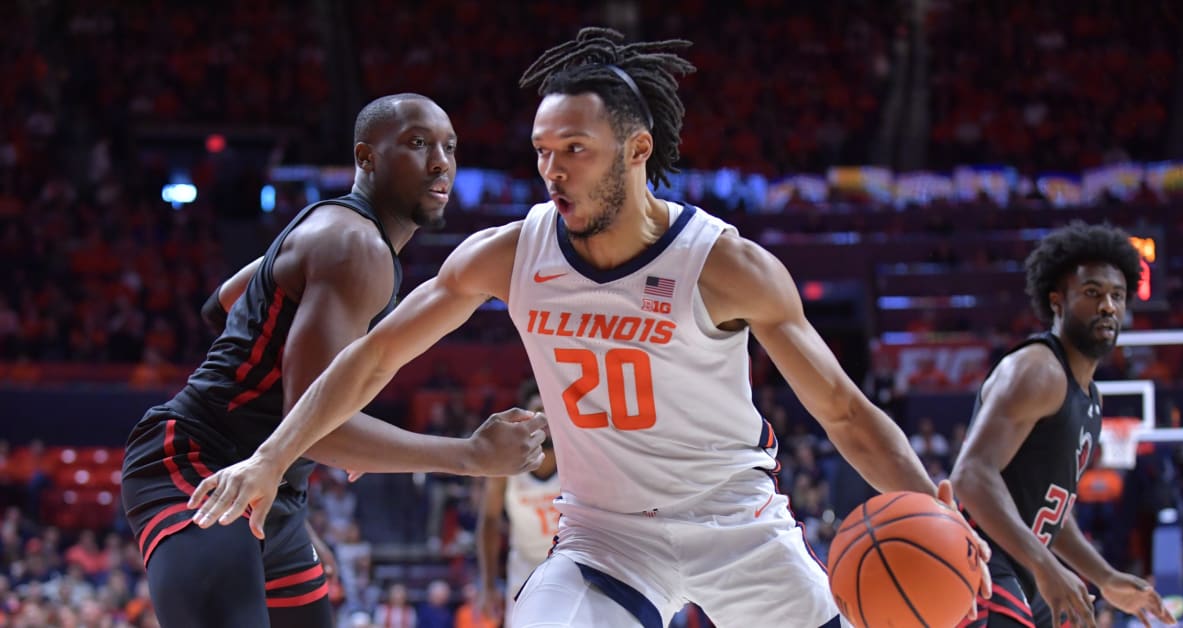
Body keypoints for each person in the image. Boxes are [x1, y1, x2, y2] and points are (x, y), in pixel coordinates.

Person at [190, 28, 989, 627]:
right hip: (605, 536)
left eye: (575, 148)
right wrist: (271, 457)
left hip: (737, 524)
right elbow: (373, 358)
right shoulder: (511, 254)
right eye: (543, 150)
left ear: (637, 150)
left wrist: (934, 509)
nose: (553, 168)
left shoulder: (724, 265)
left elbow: (844, 411)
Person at [120, 93, 548, 628]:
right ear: (366, 157)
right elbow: (319, 431)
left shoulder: (338, 233)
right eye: (418, 143)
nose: (441, 162)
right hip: (198, 462)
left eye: (450, 146)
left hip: (270, 486)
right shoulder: (353, 245)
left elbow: (226, 301)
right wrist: (471, 455)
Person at [952, 222, 1174, 628]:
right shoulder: (1039, 370)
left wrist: (1105, 577)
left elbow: (1050, 512)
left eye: (1117, 295)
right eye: (1092, 292)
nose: (1107, 306)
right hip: (978, 560)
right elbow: (970, 475)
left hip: (1019, 565)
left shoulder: (1090, 398)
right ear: (1057, 301)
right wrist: (1046, 566)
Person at [477, 382, 560, 625]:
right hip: (525, 566)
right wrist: (488, 584)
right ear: (525, 422)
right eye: (538, 412)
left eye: (550, 411)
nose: (545, 419)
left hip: (570, 560)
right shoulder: (506, 465)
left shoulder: (576, 462)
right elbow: (489, 520)